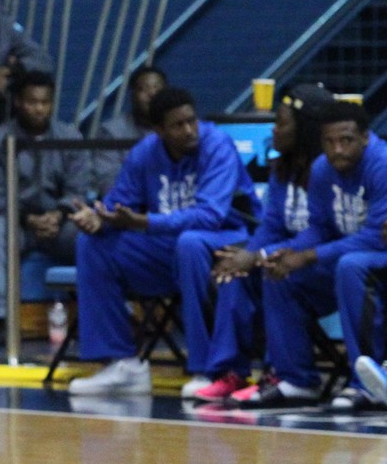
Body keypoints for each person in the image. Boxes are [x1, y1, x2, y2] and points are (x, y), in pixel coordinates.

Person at [66, 87, 258, 396]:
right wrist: (97, 218)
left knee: (191, 242)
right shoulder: (145, 152)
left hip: (229, 238)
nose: (189, 130)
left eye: (192, 121)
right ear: (159, 130)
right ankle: (122, 365)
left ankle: (207, 370)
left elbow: (210, 216)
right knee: (92, 244)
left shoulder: (217, 145)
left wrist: (146, 222)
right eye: (178, 125)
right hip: (170, 243)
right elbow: (117, 206)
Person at [180, 83, 332, 402]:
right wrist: (247, 255)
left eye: (281, 122)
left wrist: (260, 255)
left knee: (273, 271)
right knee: (235, 275)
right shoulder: (282, 169)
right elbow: (271, 225)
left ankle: (286, 373)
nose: (274, 130)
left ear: (305, 129)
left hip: (321, 264)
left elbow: (322, 230)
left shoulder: (329, 170)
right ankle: (230, 371)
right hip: (285, 258)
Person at [234, 101, 387, 411]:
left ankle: (369, 382)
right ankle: (296, 380)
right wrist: (288, 251)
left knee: (351, 265)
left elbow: (375, 236)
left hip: (375, 260)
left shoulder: (381, 165)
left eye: (346, 140)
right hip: (346, 261)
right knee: (279, 271)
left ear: (365, 138)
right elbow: (318, 227)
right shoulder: (321, 169)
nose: (337, 150)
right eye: (329, 142)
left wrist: (309, 256)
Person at [0, 70, 90, 343]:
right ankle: (1, 320)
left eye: (45, 102)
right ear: (18, 103)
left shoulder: (70, 137)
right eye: (32, 102)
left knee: (90, 233)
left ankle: (100, 314)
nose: (39, 108)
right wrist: (27, 218)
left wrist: (59, 215)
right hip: (17, 221)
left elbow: (78, 190)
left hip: (59, 223)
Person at [92, 65, 167, 195]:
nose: (152, 94)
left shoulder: (180, 129)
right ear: (132, 95)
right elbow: (108, 181)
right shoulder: (111, 132)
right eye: (144, 89)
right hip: (128, 207)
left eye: (157, 88)